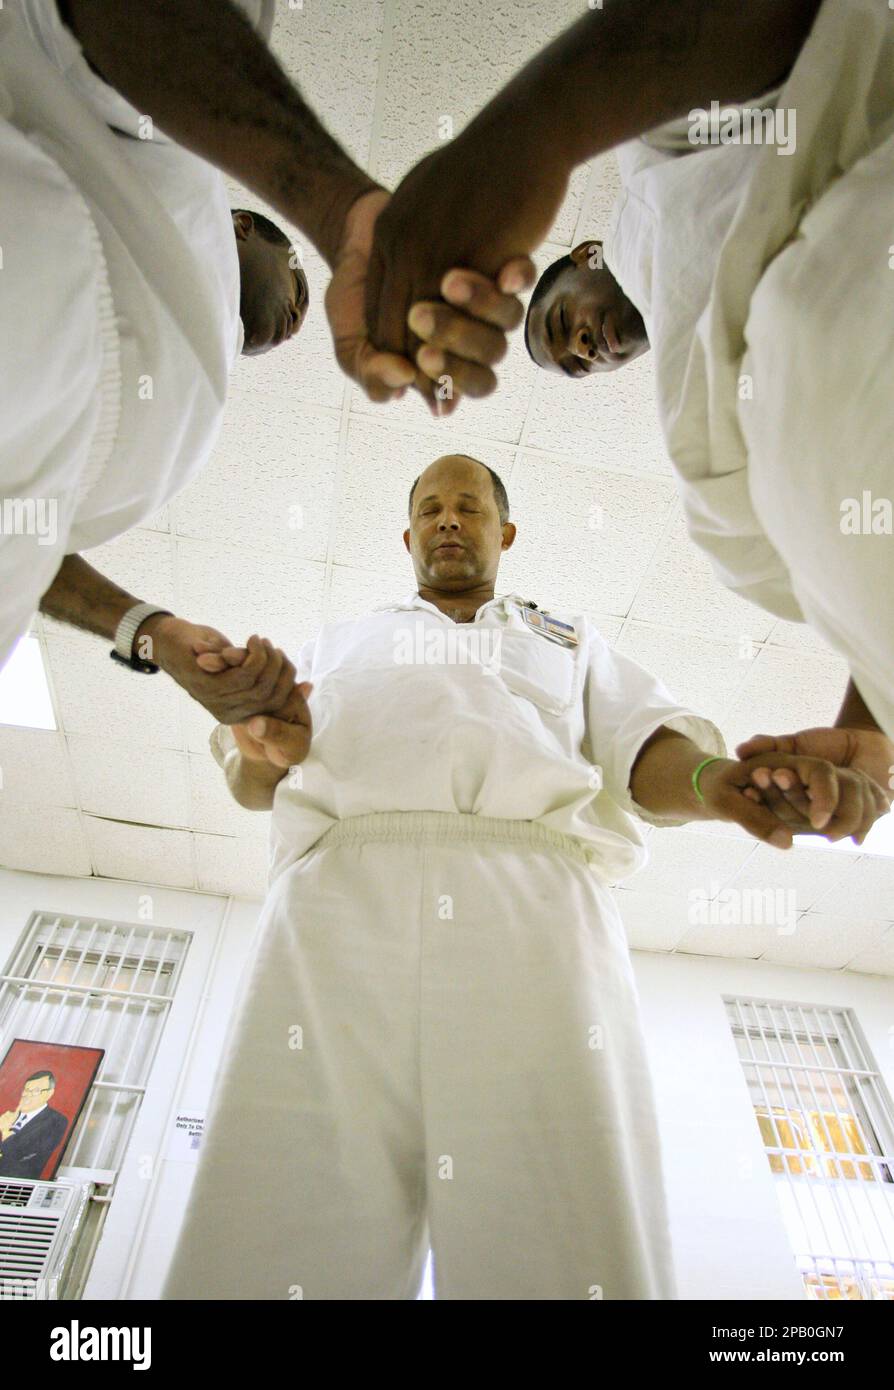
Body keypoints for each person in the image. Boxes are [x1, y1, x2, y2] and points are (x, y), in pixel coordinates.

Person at [160, 453, 886, 1301]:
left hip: (537, 910)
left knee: (568, 1225)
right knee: (275, 1217)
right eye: (430, 508)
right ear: (407, 535)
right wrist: (263, 752)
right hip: (334, 914)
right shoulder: (337, 644)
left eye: (468, 507)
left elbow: (643, 745)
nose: (448, 520)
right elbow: (253, 782)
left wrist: (715, 784)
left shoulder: (569, 640)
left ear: (504, 533)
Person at [367, 0, 894, 742]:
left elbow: (767, 25)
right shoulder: (695, 381)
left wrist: (525, 137)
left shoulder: (651, 173)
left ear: (585, 258)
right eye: (578, 366)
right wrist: (867, 726)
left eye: (563, 327)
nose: (583, 351)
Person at [1, 0, 530, 718]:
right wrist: (339, 212)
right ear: (244, 228)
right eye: (298, 278)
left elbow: (26, 534)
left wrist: (148, 630)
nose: (298, 314)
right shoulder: (166, 168)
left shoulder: (191, 412)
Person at [0, 1072, 68, 1180]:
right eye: (26, 1090)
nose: (27, 1094)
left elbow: (23, 1154)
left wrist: (5, 1132)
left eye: (35, 1091)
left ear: (49, 1093)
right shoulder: (8, 1116)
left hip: (15, 1185)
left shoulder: (56, 1120)